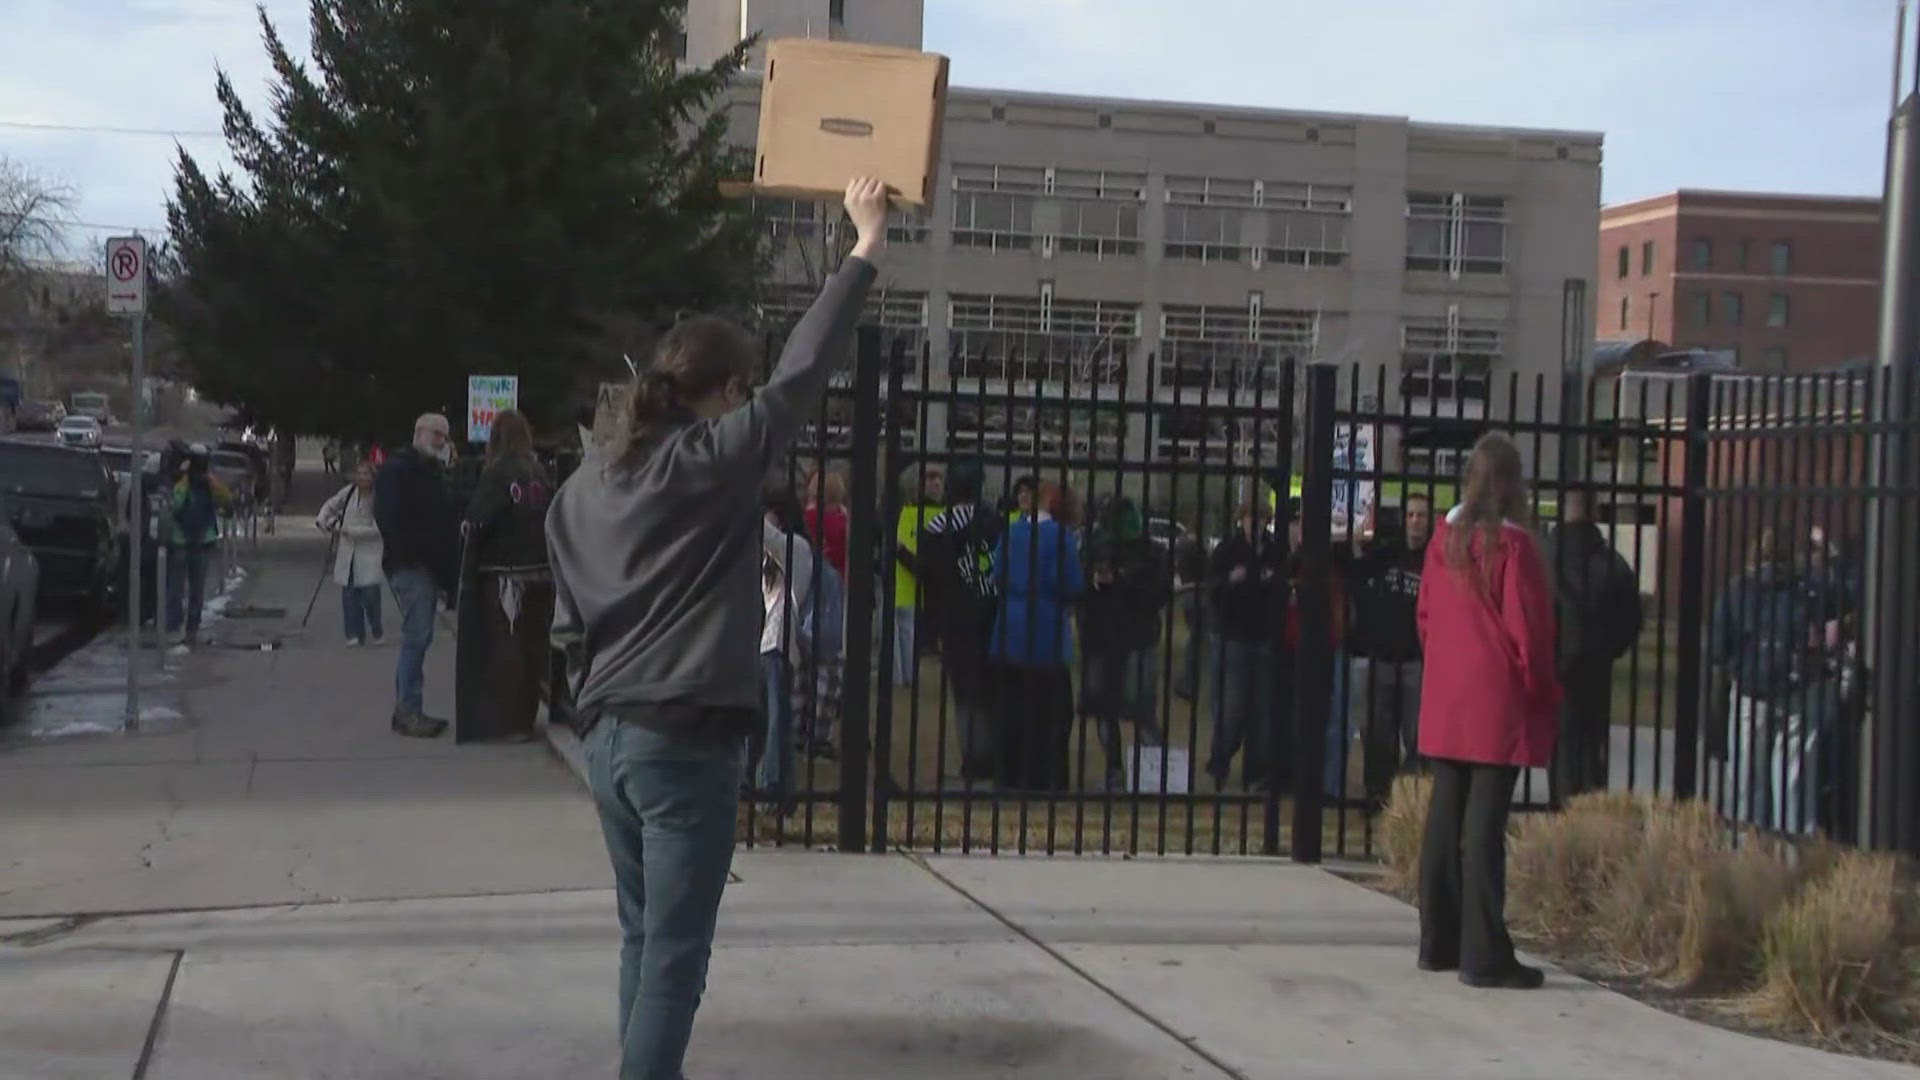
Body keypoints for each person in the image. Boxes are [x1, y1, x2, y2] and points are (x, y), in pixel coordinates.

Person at [546, 177, 886, 1080]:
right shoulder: (712, 460)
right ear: (729, 388)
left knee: (643, 940)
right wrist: (864, 246)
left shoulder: (583, 488)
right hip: (684, 736)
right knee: (674, 960)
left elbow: (566, 624)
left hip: (610, 740)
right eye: (744, 394)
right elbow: (804, 374)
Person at [1415, 433, 1561, 990]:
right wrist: (1542, 688)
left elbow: (1425, 615)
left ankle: (1438, 940)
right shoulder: (1513, 548)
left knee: (1445, 814)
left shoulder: (1442, 541)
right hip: (1495, 694)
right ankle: (1483, 953)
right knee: (1483, 826)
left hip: (1447, 690)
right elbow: (1530, 631)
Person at [1709, 528, 1823, 833]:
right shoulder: (1808, 590)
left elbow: (1719, 646)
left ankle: (1749, 851)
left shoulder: (1738, 590)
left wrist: (1738, 666)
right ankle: (1796, 854)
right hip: (1797, 687)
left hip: (1750, 689)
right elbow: (1844, 599)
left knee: (1747, 779)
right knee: (1795, 779)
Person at [455, 410, 556, 744]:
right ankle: (528, 715)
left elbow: (478, 520)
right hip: (541, 572)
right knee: (533, 646)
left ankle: (513, 722)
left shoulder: (497, 474)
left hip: (504, 576)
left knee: (507, 648)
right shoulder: (539, 473)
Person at [1543, 491, 1643, 804]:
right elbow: (1631, 619)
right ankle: (1589, 814)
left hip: (1553, 667)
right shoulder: (1612, 562)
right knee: (1591, 747)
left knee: (1560, 748)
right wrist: (1609, 649)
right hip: (1596, 668)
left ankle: (1560, 814)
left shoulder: (1542, 559)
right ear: (1595, 513)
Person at [989, 479, 1083, 790]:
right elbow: (1071, 583)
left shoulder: (1012, 531)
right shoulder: (1061, 537)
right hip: (1046, 628)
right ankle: (1045, 776)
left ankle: (1009, 773)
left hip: (1010, 626)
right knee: (1050, 711)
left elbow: (998, 573)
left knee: (1011, 707)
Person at [374, 413, 461, 739]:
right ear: (419, 433)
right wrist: (413, 556)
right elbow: (390, 516)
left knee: (418, 637)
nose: (440, 441)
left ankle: (410, 708)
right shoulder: (401, 469)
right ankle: (408, 710)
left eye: (444, 436)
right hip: (412, 566)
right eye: (436, 434)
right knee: (417, 637)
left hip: (421, 565)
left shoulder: (427, 470)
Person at [919, 461, 1006, 780]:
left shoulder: (937, 528)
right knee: (992, 689)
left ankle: (974, 758)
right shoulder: (994, 523)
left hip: (955, 618)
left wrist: (930, 627)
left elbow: (931, 581)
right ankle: (995, 756)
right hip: (992, 613)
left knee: (965, 694)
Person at [1078, 495, 1170, 790]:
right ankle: (1118, 770)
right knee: (1109, 710)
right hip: (1106, 638)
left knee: (1140, 710)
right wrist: (1092, 581)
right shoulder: (1095, 548)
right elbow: (1080, 591)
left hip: (1135, 638)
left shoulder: (1149, 552)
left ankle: (1152, 773)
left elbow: (1157, 595)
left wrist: (1123, 580)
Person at [1348, 493, 1432, 802]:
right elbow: (1355, 575)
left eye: (1421, 515)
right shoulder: (1386, 554)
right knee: (1378, 734)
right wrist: (1356, 544)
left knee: (1417, 735)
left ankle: (1410, 800)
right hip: (1380, 656)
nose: (1415, 522)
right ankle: (1378, 797)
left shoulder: (1433, 560)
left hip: (1416, 659)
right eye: (1410, 515)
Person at [1204, 499, 1287, 791]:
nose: (1256, 523)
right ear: (1242, 519)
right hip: (1233, 635)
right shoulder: (1228, 549)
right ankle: (1220, 763)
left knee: (1262, 711)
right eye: (1252, 517)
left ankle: (1255, 774)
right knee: (1232, 707)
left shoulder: (1275, 549)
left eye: (1262, 518)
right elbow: (1211, 588)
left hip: (1263, 635)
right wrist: (1230, 580)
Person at [753, 498, 815, 815]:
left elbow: (769, 537)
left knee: (777, 719)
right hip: (767, 643)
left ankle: (773, 787)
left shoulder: (797, 547)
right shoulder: (774, 557)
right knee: (767, 717)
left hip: (780, 643)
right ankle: (772, 786)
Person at [796, 469, 849, 758]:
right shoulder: (842, 521)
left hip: (805, 591)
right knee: (828, 668)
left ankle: (797, 725)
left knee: (801, 664)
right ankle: (820, 732)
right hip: (836, 591)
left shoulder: (808, 519)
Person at [166, 445, 233, 645]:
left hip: (186, 541)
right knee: (192, 589)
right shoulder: (196, 483)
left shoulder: (186, 482)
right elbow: (227, 501)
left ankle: (180, 629)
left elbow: (174, 506)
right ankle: (187, 629)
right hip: (196, 541)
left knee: (179, 589)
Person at [316, 461, 385, 646]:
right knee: (349, 594)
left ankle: (376, 628)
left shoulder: (380, 498)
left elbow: (381, 527)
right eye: (359, 473)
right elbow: (331, 506)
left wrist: (353, 531)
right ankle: (353, 633)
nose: (362, 477)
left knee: (370, 593)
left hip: (370, 551)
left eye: (366, 474)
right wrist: (325, 521)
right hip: (348, 550)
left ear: (373, 477)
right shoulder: (348, 493)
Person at [892, 468, 944, 687]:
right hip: (909, 584)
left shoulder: (914, 513)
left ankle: (903, 677)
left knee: (906, 632)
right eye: (931, 481)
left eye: (938, 481)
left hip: (925, 585)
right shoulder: (910, 511)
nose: (936, 485)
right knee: (904, 631)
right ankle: (903, 677)